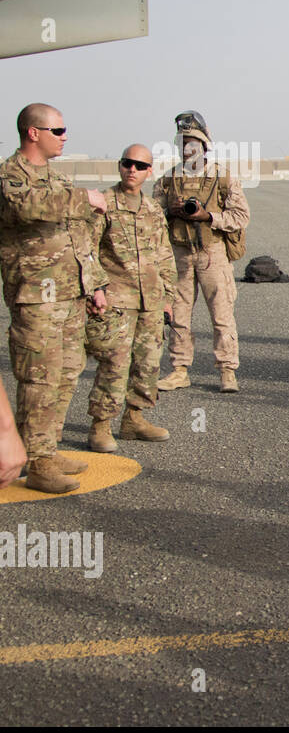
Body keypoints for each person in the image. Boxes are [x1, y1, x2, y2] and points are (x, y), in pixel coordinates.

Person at [0, 103, 108, 493]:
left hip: (69, 293)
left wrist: (93, 284)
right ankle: (39, 461)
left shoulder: (57, 179)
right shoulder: (11, 175)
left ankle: (44, 448)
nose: (65, 137)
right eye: (58, 130)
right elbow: (27, 208)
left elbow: (79, 237)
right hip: (37, 295)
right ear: (33, 133)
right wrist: (85, 199)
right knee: (39, 376)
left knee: (66, 372)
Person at [84, 145, 178, 452]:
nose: (132, 170)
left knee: (148, 364)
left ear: (149, 171)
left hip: (150, 301)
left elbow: (164, 255)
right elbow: (88, 250)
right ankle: (100, 425)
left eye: (140, 165)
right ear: (120, 166)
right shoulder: (103, 204)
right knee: (114, 363)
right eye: (128, 163)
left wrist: (168, 297)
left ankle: (133, 419)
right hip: (116, 300)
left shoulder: (152, 209)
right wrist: (96, 289)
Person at [155, 110, 250, 394]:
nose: (187, 148)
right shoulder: (168, 179)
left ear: (204, 145)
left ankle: (227, 370)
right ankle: (179, 369)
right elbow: (150, 216)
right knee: (179, 316)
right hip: (179, 255)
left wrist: (208, 217)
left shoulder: (222, 177)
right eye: (183, 142)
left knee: (222, 315)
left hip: (213, 253)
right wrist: (168, 212)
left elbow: (241, 217)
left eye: (193, 142)